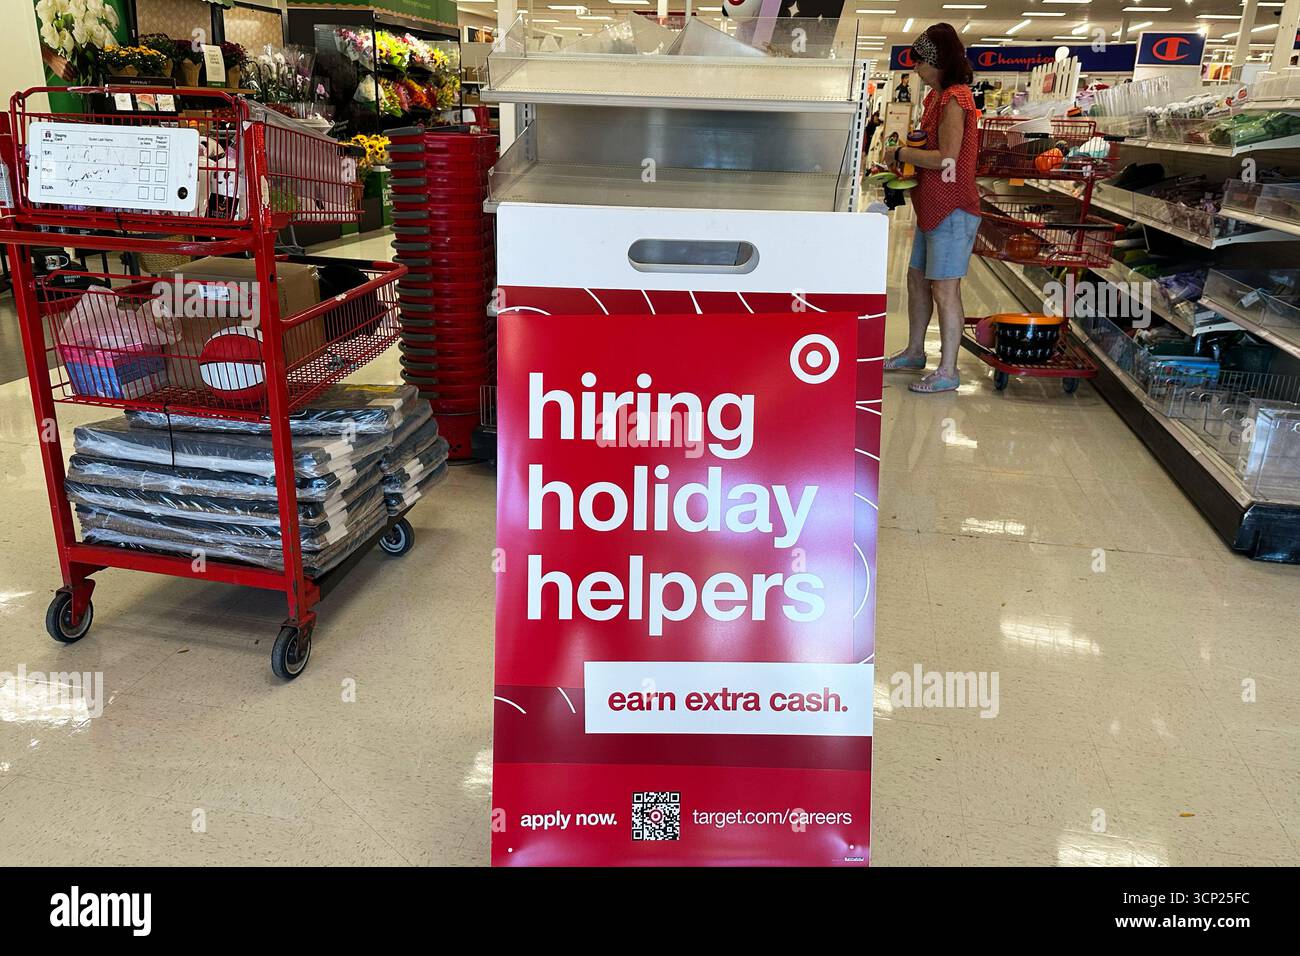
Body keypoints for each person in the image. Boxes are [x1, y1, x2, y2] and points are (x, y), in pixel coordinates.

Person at [884, 23, 982, 394]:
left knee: (944, 288)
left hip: (953, 208)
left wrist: (901, 154)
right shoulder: (935, 98)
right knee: (916, 279)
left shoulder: (957, 98)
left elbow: (947, 159)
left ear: (937, 61)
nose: (917, 70)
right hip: (930, 207)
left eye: (920, 62)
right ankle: (914, 351)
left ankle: (949, 370)